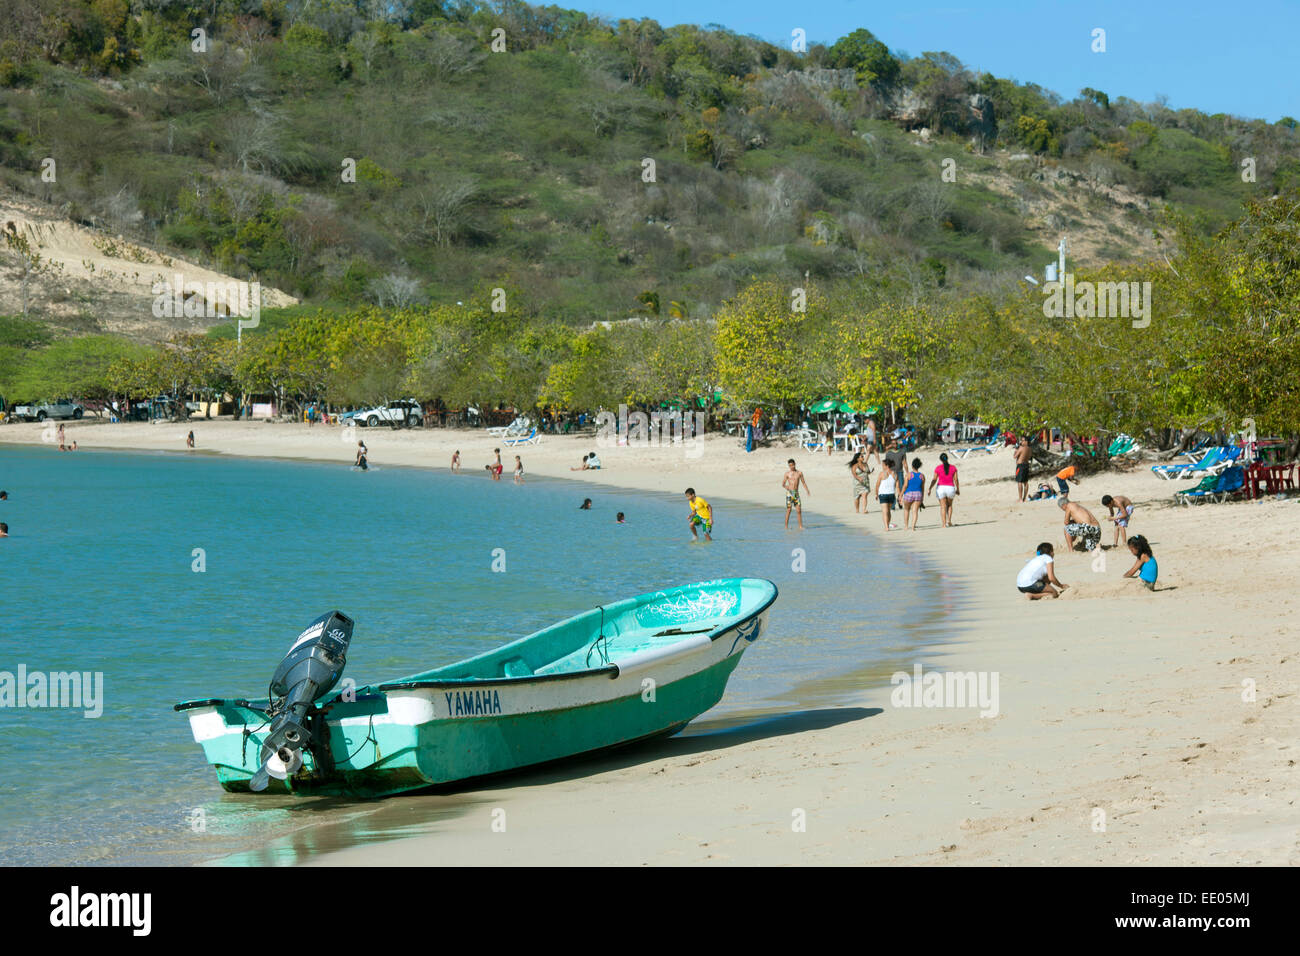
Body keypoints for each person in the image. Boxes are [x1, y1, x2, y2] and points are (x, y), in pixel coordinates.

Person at [928, 452, 959, 527]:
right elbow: (956, 479)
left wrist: (930, 488)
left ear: (940, 460)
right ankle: (949, 521)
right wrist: (958, 489)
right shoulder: (953, 467)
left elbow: (934, 479)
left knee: (943, 506)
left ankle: (944, 524)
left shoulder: (938, 468)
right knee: (950, 505)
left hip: (941, 488)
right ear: (947, 458)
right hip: (950, 488)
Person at [782, 458, 811, 530]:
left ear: (795, 464)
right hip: (789, 493)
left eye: (792, 465)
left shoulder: (799, 473)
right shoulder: (787, 474)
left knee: (799, 510)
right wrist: (786, 487)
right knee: (789, 510)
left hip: (796, 493)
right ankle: (786, 526)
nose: (791, 467)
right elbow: (783, 484)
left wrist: (807, 490)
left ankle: (800, 526)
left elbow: (803, 482)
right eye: (789, 465)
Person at [874, 461, 898, 531]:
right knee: (888, 511)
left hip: (883, 495)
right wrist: (900, 495)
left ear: (887, 466)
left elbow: (877, 485)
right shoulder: (895, 474)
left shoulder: (882, 474)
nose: (882, 466)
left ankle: (886, 527)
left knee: (885, 511)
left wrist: (876, 494)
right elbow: (898, 486)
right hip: (891, 495)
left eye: (883, 465)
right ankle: (888, 524)